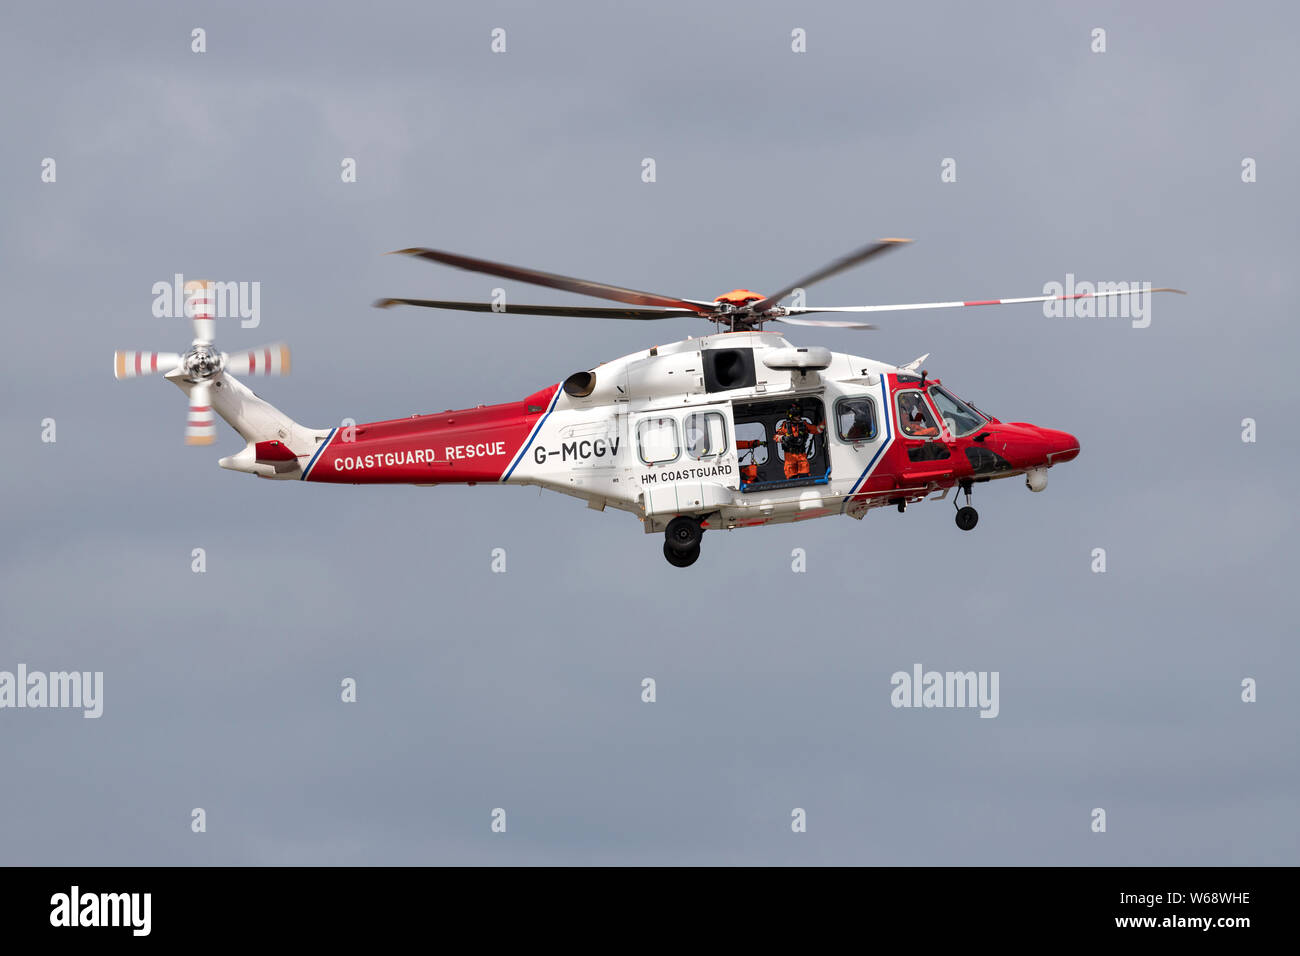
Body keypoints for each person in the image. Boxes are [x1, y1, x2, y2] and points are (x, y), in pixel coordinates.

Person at [773, 401, 824, 479]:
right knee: (792, 480)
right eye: (796, 415)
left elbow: (817, 430)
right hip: (790, 458)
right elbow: (775, 437)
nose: (798, 416)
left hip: (801, 456)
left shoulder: (804, 424)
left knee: (805, 478)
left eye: (799, 414)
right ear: (791, 415)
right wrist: (783, 438)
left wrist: (825, 422)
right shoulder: (785, 426)